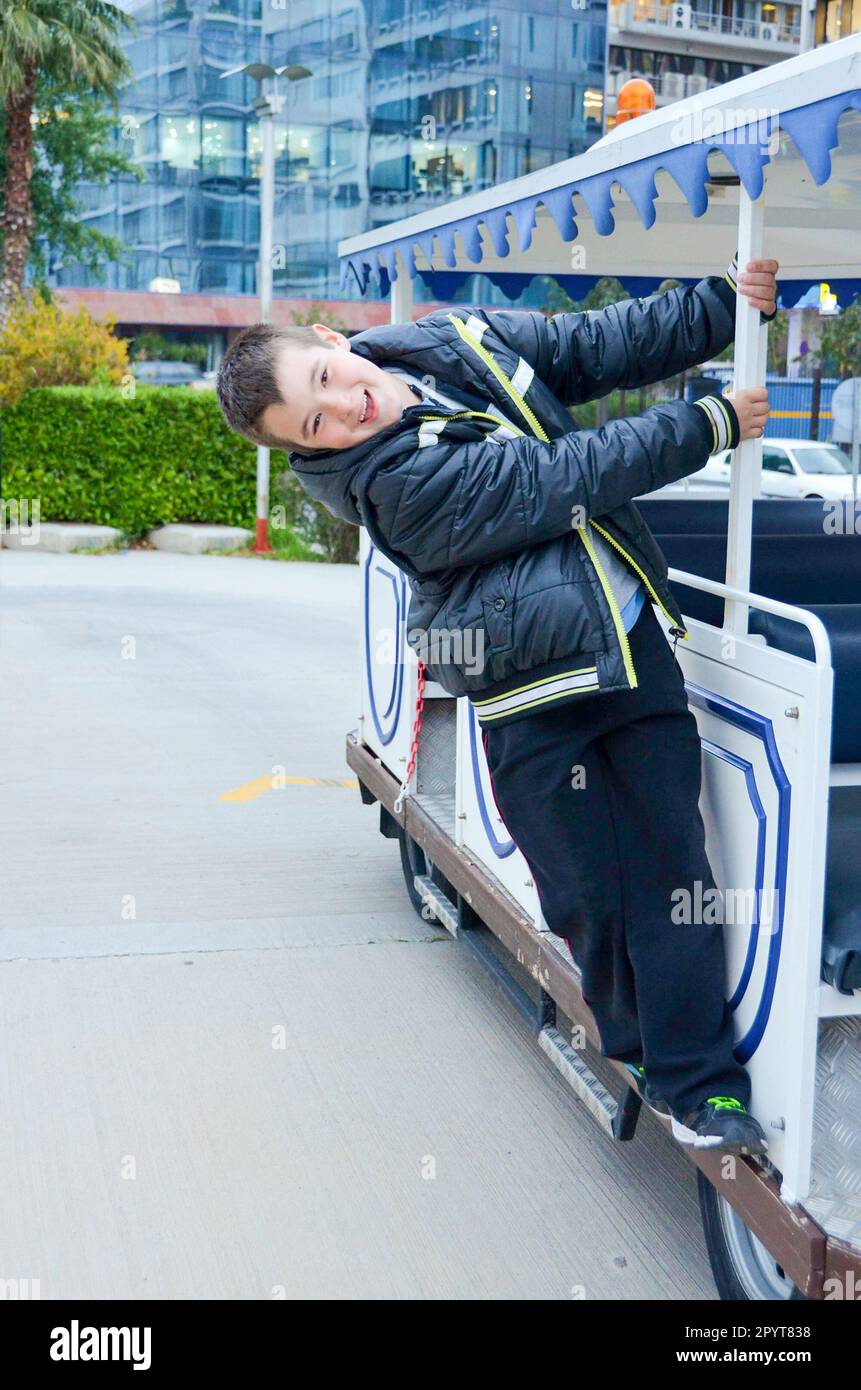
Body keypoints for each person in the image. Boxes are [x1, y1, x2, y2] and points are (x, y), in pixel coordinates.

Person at [216, 254, 778, 1154]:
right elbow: (556, 479)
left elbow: (594, 346)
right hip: (525, 691)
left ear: (333, 341)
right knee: (588, 895)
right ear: (307, 449)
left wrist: (720, 302)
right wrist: (704, 422)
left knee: (673, 871)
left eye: (328, 378)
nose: (344, 408)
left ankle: (700, 1087)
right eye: (316, 423)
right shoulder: (386, 490)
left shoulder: (451, 340)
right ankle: (633, 1040)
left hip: (622, 643)